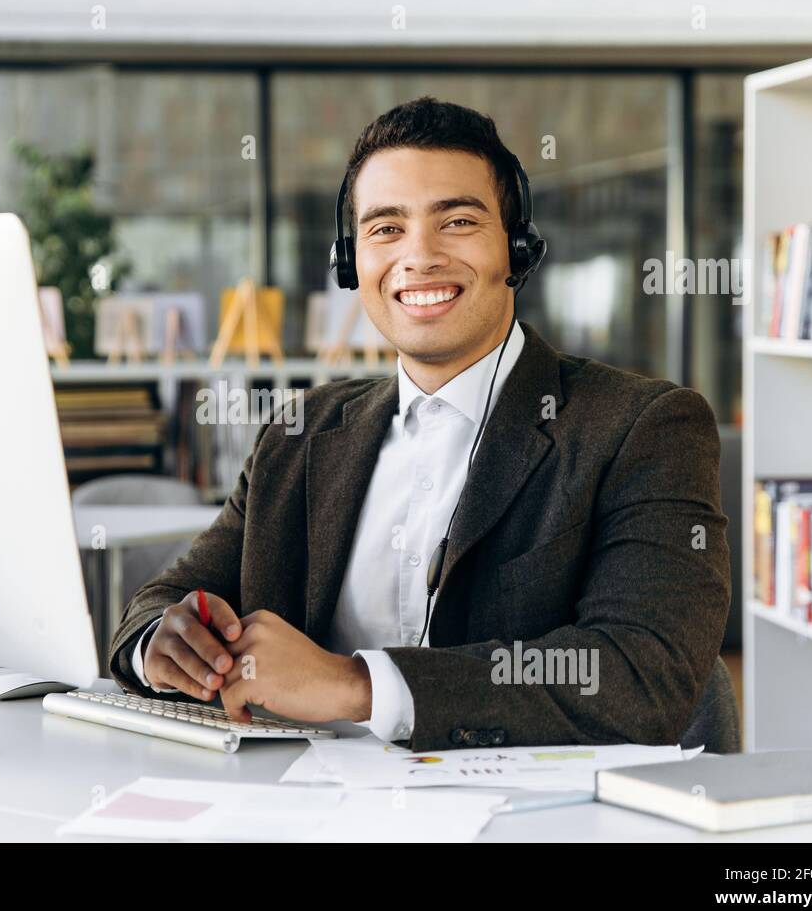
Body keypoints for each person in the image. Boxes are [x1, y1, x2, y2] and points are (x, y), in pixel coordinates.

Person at [108, 96, 731, 753]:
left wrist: (357, 686)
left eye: (457, 221)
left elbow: (644, 672)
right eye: (385, 228)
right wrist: (162, 645)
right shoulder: (301, 431)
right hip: (303, 807)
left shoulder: (645, 427)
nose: (420, 256)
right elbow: (163, 600)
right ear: (353, 264)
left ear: (516, 248)